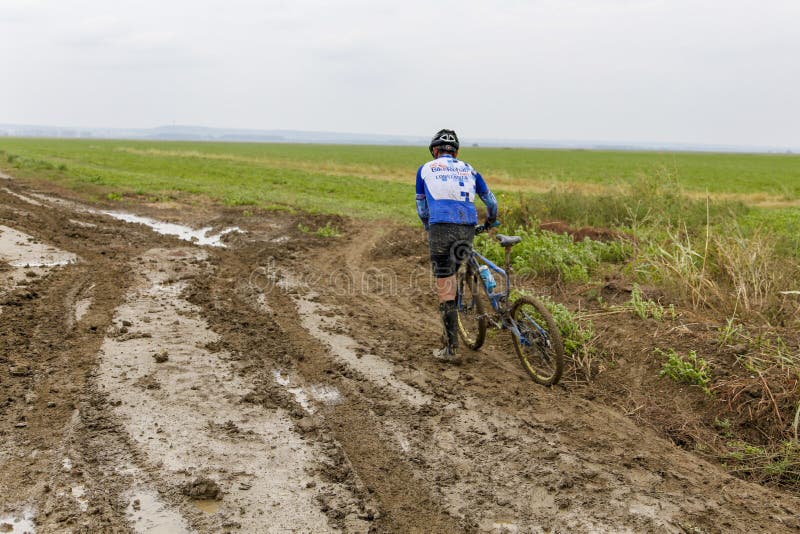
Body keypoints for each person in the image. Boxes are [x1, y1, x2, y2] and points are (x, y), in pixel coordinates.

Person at [415, 129, 498, 359]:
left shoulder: (425, 169)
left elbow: (422, 209)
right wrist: (490, 221)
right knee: (459, 264)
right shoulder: (470, 169)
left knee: (445, 289)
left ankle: (450, 349)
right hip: (467, 228)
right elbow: (491, 201)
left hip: (440, 229)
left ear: (434, 151)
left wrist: (428, 227)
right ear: (456, 152)